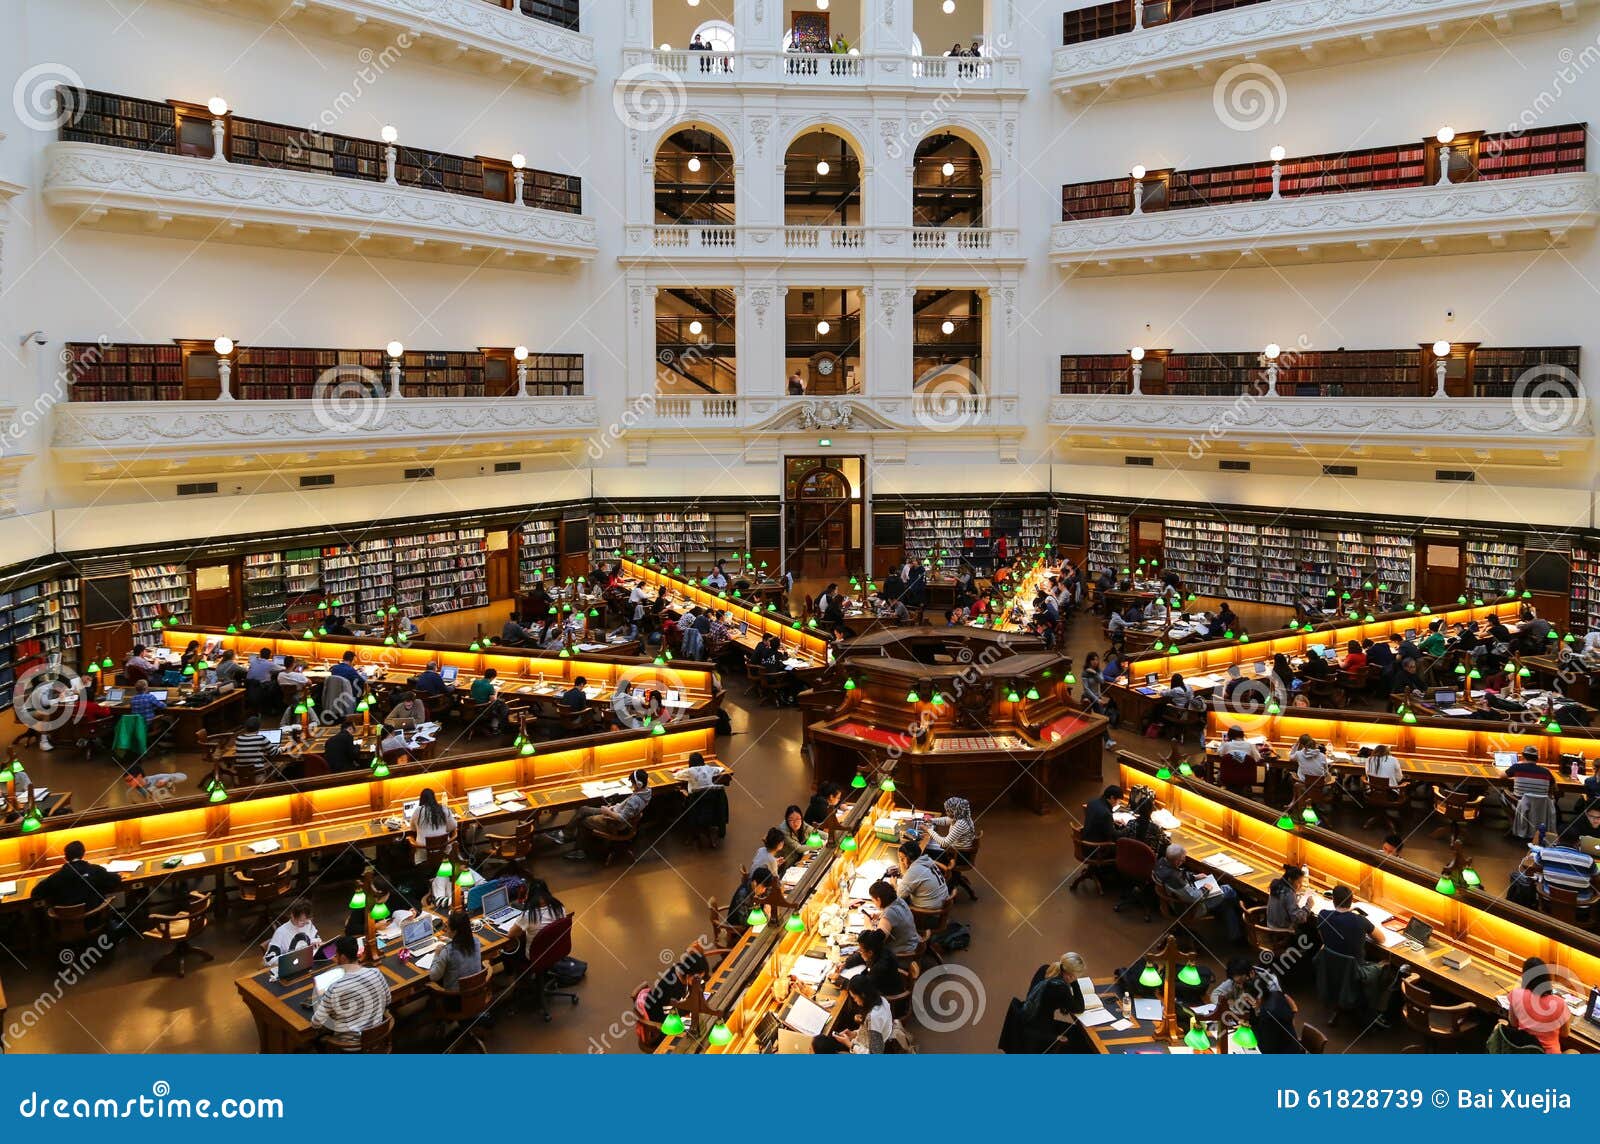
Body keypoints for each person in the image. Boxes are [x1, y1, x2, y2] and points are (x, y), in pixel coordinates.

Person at [311, 935, 391, 1046]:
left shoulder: (335, 988)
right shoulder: (376, 973)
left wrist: (325, 1001)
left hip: (350, 1047)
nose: (334, 958)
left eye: (336, 955)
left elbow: (316, 1023)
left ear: (343, 957)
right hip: (377, 1039)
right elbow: (388, 1001)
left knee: (317, 1041)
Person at [1154, 843, 1244, 942]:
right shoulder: (1176, 879)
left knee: (1226, 905)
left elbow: (1179, 873)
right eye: (1183, 859)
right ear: (1177, 861)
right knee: (1228, 890)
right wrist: (1206, 888)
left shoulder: (1161, 863)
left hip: (1172, 903)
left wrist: (1193, 877)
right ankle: (1242, 916)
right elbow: (1194, 898)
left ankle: (1236, 935)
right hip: (1188, 908)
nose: (1184, 860)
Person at [563, 769, 651, 860]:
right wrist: (614, 807)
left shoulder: (635, 801)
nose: (632, 786)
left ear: (639, 784)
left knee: (582, 820)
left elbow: (622, 818)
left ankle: (579, 850)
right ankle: (566, 834)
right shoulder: (647, 792)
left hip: (614, 822)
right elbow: (626, 807)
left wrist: (608, 812)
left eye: (633, 783)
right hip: (614, 812)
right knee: (583, 810)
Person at [31, 840, 122, 910]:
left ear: (66, 857)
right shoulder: (95, 870)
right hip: (94, 919)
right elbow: (116, 879)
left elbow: (35, 893)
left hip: (66, 925)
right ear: (83, 853)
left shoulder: (57, 876)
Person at [1507, 957, 1569, 1053]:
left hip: (1523, 1051)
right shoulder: (1560, 1003)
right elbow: (1565, 1033)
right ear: (1547, 978)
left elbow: (1513, 1023)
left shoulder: (1516, 994)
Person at [836, 977, 895, 1053]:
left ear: (863, 995)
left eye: (854, 997)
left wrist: (850, 1045)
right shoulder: (881, 999)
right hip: (872, 1040)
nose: (855, 1000)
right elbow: (869, 1031)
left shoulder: (873, 1017)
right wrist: (854, 1033)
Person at [429, 910, 483, 992]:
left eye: (448, 927)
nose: (446, 930)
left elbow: (433, 976)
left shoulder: (447, 951)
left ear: (455, 931)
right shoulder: (476, 942)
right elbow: (461, 944)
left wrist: (436, 954)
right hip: (476, 992)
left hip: (456, 998)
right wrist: (449, 940)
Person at [895, 838, 950, 912]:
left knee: (896, 904)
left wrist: (894, 884)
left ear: (909, 858)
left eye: (902, 858)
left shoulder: (914, 871)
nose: (901, 861)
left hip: (931, 906)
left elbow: (899, 895)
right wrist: (903, 862)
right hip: (942, 898)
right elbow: (909, 876)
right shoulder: (926, 859)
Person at [509, 879, 566, 948]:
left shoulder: (528, 915)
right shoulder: (559, 907)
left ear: (529, 895)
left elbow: (511, 934)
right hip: (554, 948)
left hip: (535, 954)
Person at [869, 881, 919, 957]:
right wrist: (880, 915)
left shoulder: (889, 914)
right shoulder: (899, 900)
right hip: (911, 943)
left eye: (873, 901)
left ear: (879, 900)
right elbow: (896, 914)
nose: (874, 903)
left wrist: (867, 923)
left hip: (902, 955)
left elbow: (875, 942)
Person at [725, 866, 778, 934]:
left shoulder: (755, 886)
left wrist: (767, 902)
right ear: (755, 883)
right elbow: (744, 921)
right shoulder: (743, 895)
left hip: (754, 921)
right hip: (738, 929)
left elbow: (768, 891)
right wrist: (766, 916)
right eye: (763, 887)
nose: (764, 890)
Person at [411, 788, 456, 859]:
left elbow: (412, 829)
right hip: (444, 850)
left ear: (421, 799)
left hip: (424, 852)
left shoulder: (418, 811)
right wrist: (443, 829)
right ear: (434, 798)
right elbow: (453, 826)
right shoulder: (443, 809)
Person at [1216, 725, 1261, 793]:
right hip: (1246, 777)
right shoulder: (1250, 745)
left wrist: (1223, 742)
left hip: (1228, 776)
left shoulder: (1227, 745)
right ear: (1242, 734)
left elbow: (1220, 753)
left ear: (1229, 735)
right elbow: (1257, 758)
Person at [1265, 863, 1310, 929]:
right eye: (1299, 882)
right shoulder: (1288, 893)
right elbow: (1298, 918)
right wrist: (1308, 906)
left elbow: (1283, 900)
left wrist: (1295, 896)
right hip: (1281, 932)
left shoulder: (1275, 884)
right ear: (1290, 879)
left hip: (1270, 925)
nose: (1301, 885)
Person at [469, 669, 509, 735]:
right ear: (493, 677)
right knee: (502, 705)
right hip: (483, 709)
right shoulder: (490, 686)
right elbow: (493, 701)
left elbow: (472, 693)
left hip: (471, 708)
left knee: (501, 704)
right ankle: (497, 728)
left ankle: (494, 726)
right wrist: (495, 692)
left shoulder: (475, 682)